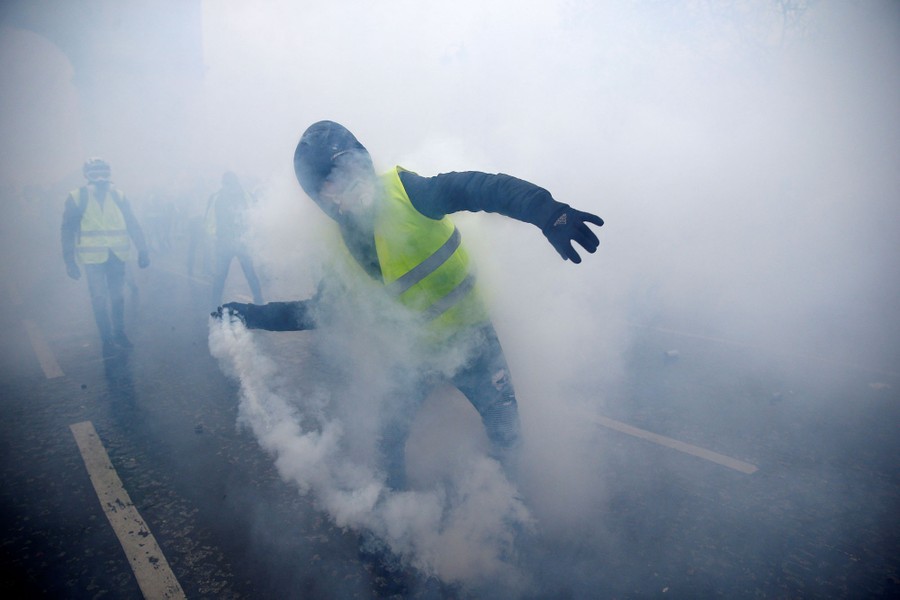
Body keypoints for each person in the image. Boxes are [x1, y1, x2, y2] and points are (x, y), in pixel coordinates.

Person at [213, 120, 603, 490]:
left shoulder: (408, 191)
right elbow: (319, 312)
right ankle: (394, 533)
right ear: (320, 198)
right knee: (388, 441)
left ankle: (512, 514)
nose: (343, 186)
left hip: (475, 341)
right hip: (413, 355)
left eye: (348, 168)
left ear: (362, 161)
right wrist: (250, 315)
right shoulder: (340, 249)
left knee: (506, 431)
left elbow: (481, 188)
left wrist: (547, 211)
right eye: (327, 184)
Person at [61, 157, 150, 357]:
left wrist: (143, 249)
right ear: (87, 175)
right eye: (95, 173)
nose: (100, 178)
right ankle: (107, 339)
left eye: (104, 172)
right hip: (93, 260)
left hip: (117, 255)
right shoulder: (77, 197)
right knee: (99, 299)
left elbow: (132, 223)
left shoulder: (119, 196)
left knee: (118, 298)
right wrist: (69, 260)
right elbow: (67, 230)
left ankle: (119, 333)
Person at [206, 171, 264, 307]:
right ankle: (259, 300)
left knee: (220, 276)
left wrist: (215, 237)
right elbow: (256, 216)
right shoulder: (245, 195)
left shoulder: (218, 197)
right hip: (238, 242)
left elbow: (209, 222)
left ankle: (215, 304)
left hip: (226, 243)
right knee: (249, 274)